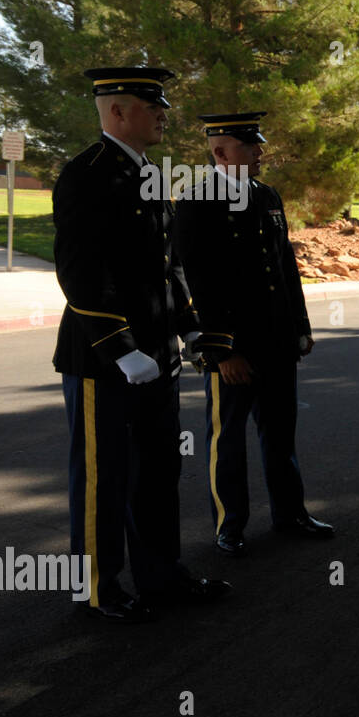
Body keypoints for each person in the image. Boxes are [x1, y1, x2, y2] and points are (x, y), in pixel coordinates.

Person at [52, 66, 230, 622]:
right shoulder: (85, 175)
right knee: (105, 477)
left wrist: (191, 327)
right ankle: (98, 587)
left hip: (157, 356)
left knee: (158, 473)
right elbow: (81, 271)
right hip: (105, 360)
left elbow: (165, 265)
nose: (163, 114)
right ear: (117, 111)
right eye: (152, 106)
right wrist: (120, 346)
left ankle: (161, 575)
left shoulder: (148, 173)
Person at [173, 112, 333, 557]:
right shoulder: (197, 200)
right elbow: (192, 281)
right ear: (221, 153)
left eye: (259, 144)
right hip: (234, 349)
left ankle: (290, 513)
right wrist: (222, 351)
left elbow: (285, 267)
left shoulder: (267, 196)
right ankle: (230, 523)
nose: (261, 152)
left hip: (278, 341)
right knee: (227, 439)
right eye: (251, 147)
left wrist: (300, 327)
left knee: (281, 433)